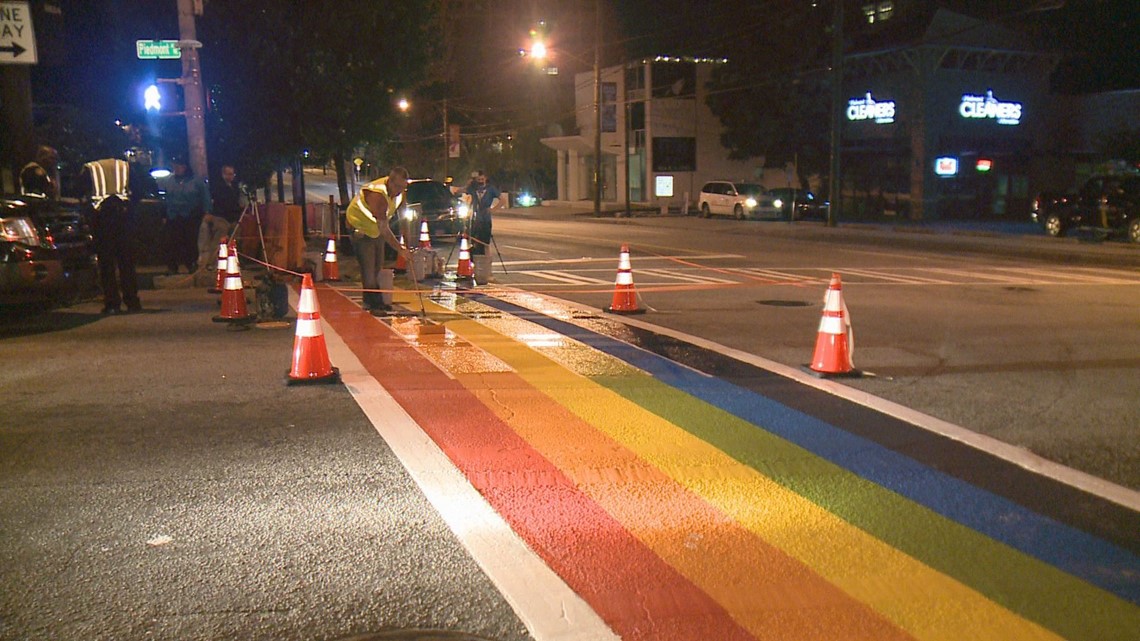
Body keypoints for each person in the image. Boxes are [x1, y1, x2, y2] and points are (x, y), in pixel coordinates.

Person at [344, 166, 412, 315]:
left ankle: (371, 300)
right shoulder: (378, 195)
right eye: (399, 187)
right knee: (368, 266)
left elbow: (403, 217)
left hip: (374, 229)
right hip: (359, 226)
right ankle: (374, 303)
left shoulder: (400, 194)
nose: (401, 190)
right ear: (390, 182)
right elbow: (384, 230)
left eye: (404, 187)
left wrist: (407, 240)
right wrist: (400, 250)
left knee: (377, 265)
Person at [81, 157, 141, 314]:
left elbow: (81, 192)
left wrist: (88, 211)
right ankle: (132, 301)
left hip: (101, 219)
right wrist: (130, 207)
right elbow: (139, 190)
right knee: (126, 262)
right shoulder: (126, 167)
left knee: (106, 263)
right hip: (123, 217)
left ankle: (112, 303)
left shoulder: (90, 167)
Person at [158, 156, 211, 275]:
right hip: (173, 215)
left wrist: (207, 211)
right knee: (172, 241)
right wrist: (164, 215)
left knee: (190, 241)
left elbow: (205, 196)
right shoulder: (169, 180)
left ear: (185, 167)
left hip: (190, 214)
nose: (176, 168)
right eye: (175, 165)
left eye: (179, 165)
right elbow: (165, 198)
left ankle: (191, 263)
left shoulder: (196, 181)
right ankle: (172, 266)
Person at [201, 164, 244, 268]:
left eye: (232, 174)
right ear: (223, 174)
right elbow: (220, 202)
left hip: (233, 217)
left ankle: (233, 261)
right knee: (220, 237)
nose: (230, 176)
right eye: (228, 174)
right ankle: (212, 262)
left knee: (235, 237)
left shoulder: (235, 187)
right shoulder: (218, 187)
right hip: (221, 216)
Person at [465, 170, 499, 256]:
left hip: (486, 220)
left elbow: (503, 200)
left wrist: (493, 209)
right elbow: (461, 190)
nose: (480, 181)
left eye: (482, 179)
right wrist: (469, 183)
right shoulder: (473, 188)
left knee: (485, 242)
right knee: (475, 241)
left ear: (485, 179)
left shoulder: (491, 189)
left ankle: (486, 259)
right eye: (478, 179)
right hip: (475, 219)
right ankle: (475, 258)